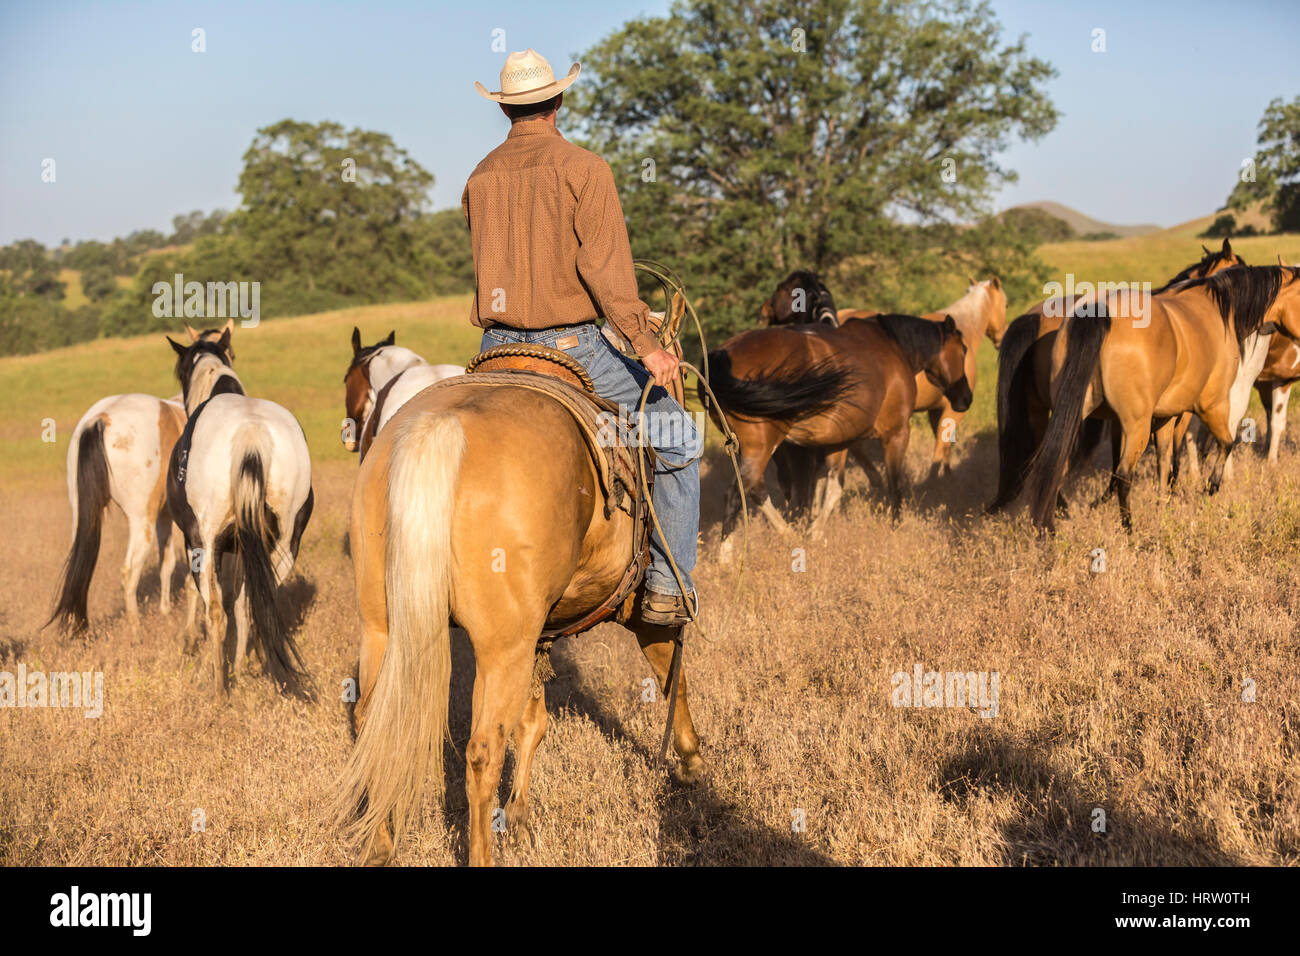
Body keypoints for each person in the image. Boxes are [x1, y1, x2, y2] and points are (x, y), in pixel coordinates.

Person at [463, 48, 700, 627]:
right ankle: (668, 588)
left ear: (505, 112)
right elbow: (606, 273)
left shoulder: (480, 178)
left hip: (495, 352)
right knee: (679, 440)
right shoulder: (585, 169)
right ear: (558, 100)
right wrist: (648, 345)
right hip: (574, 348)